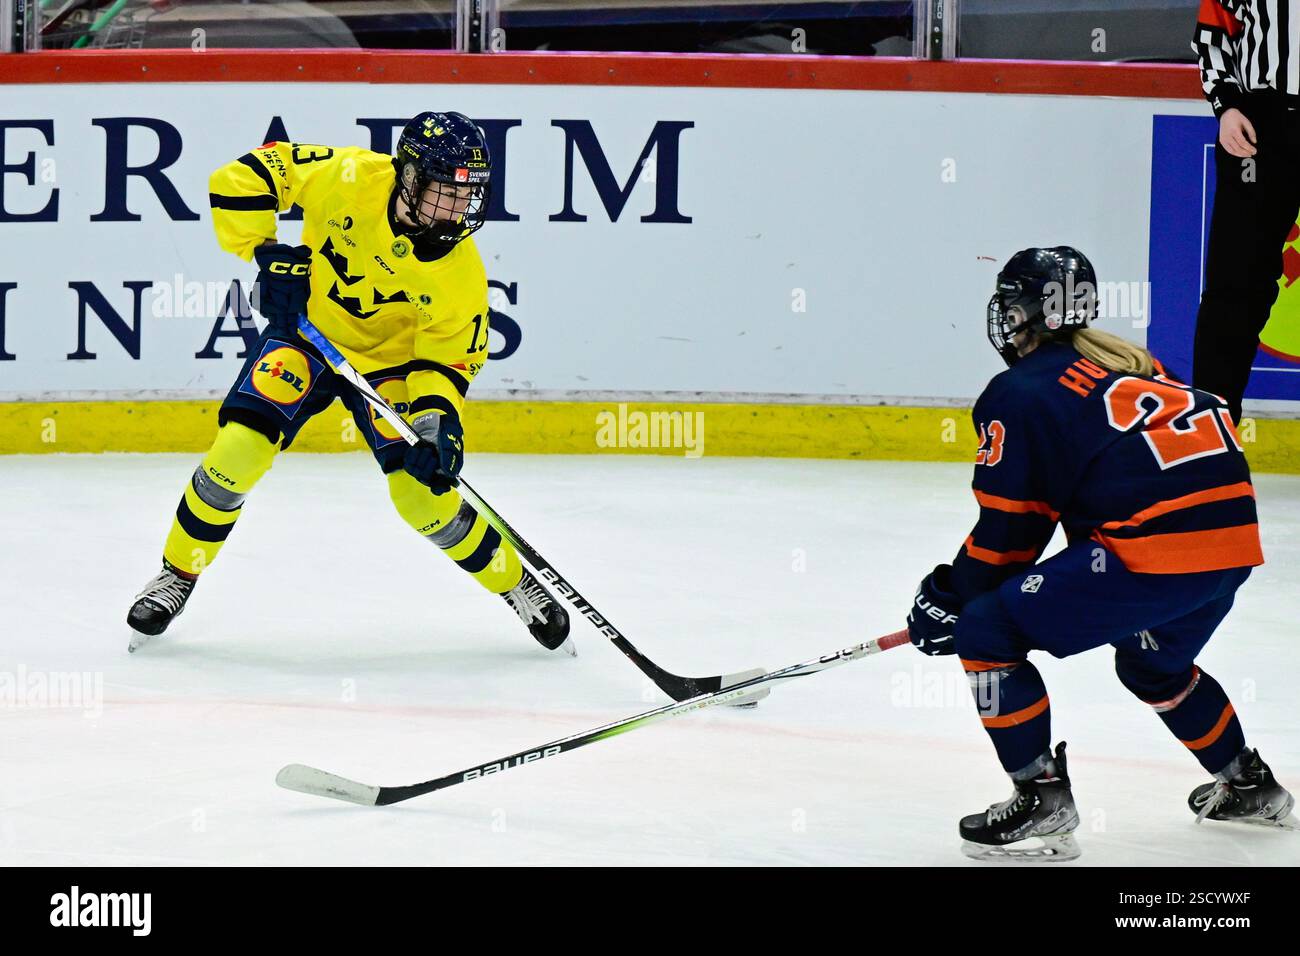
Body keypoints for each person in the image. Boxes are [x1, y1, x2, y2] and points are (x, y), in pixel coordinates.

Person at [126, 112, 571, 655]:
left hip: (392, 372)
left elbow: (447, 362)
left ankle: (516, 584)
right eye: (444, 191)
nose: (458, 209)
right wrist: (265, 253)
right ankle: (179, 574)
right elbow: (239, 179)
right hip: (308, 338)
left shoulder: (461, 276)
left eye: (468, 195)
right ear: (407, 176)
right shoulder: (348, 176)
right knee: (238, 450)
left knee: (422, 499)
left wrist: (436, 426)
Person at [906, 246, 1295, 862]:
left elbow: (1011, 530)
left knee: (986, 631)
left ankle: (1040, 796)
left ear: (1021, 312)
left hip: (1154, 555)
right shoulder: (1139, 369)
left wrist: (952, 599)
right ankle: (1247, 784)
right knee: (1152, 666)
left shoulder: (1022, 391)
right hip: (1230, 551)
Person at [1192, 0, 1300, 423]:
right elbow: (1213, 33)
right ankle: (1208, 436)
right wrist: (1227, 104)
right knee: (1235, 284)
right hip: (1260, 126)